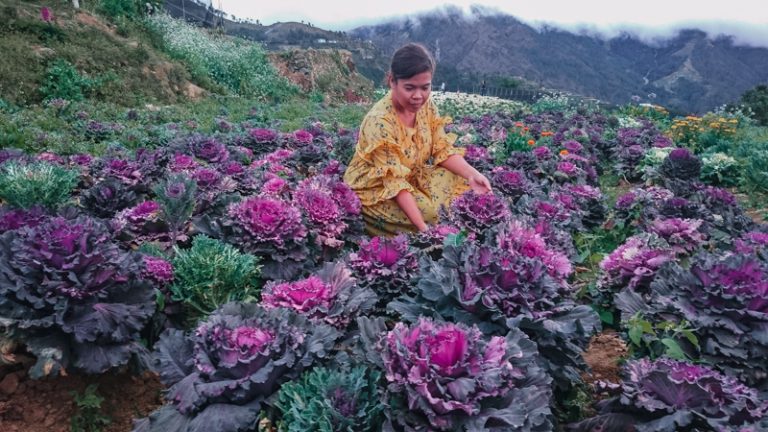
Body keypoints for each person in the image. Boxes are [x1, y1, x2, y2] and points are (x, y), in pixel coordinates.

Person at [343, 43, 492, 236]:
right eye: (410, 88)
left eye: (425, 87)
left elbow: (442, 149)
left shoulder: (427, 106)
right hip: (377, 188)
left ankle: (448, 229)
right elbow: (394, 183)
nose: (418, 96)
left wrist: (472, 174)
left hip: (412, 176)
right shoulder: (379, 122)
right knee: (431, 215)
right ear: (391, 81)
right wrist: (424, 231)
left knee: (462, 181)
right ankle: (435, 234)